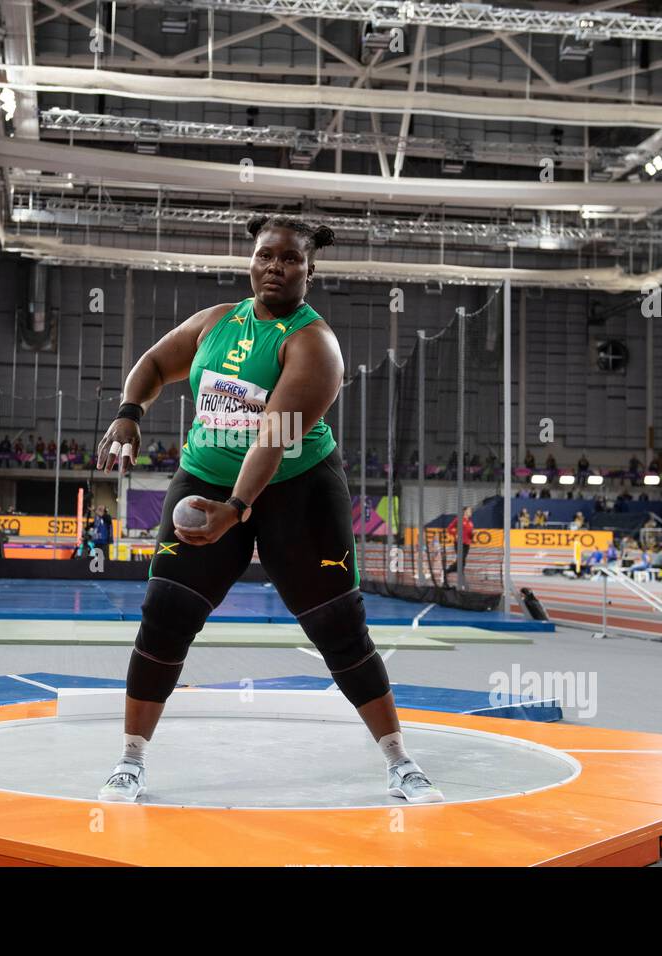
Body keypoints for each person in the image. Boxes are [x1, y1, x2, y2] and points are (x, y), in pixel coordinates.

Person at [93, 213, 442, 805]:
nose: (274, 267)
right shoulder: (215, 324)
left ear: (310, 269)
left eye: (289, 259)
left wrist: (237, 508)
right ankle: (130, 761)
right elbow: (153, 364)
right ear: (250, 260)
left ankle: (399, 761)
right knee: (164, 613)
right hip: (204, 478)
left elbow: (275, 438)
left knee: (338, 627)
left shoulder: (314, 345)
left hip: (298, 492)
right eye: (264, 255)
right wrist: (129, 411)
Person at [444, 505, 473, 575]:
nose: (471, 512)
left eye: (471, 510)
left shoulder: (470, 523)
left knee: (462, 560)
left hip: (467, 544)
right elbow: (449, 528)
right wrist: (455, 533)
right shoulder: (459, 519)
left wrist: (472, 534)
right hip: (459, 543)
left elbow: (469, 535)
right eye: (469, 510)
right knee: (461, 558)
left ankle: (453, 571)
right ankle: (448, 570)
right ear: (465, 511)